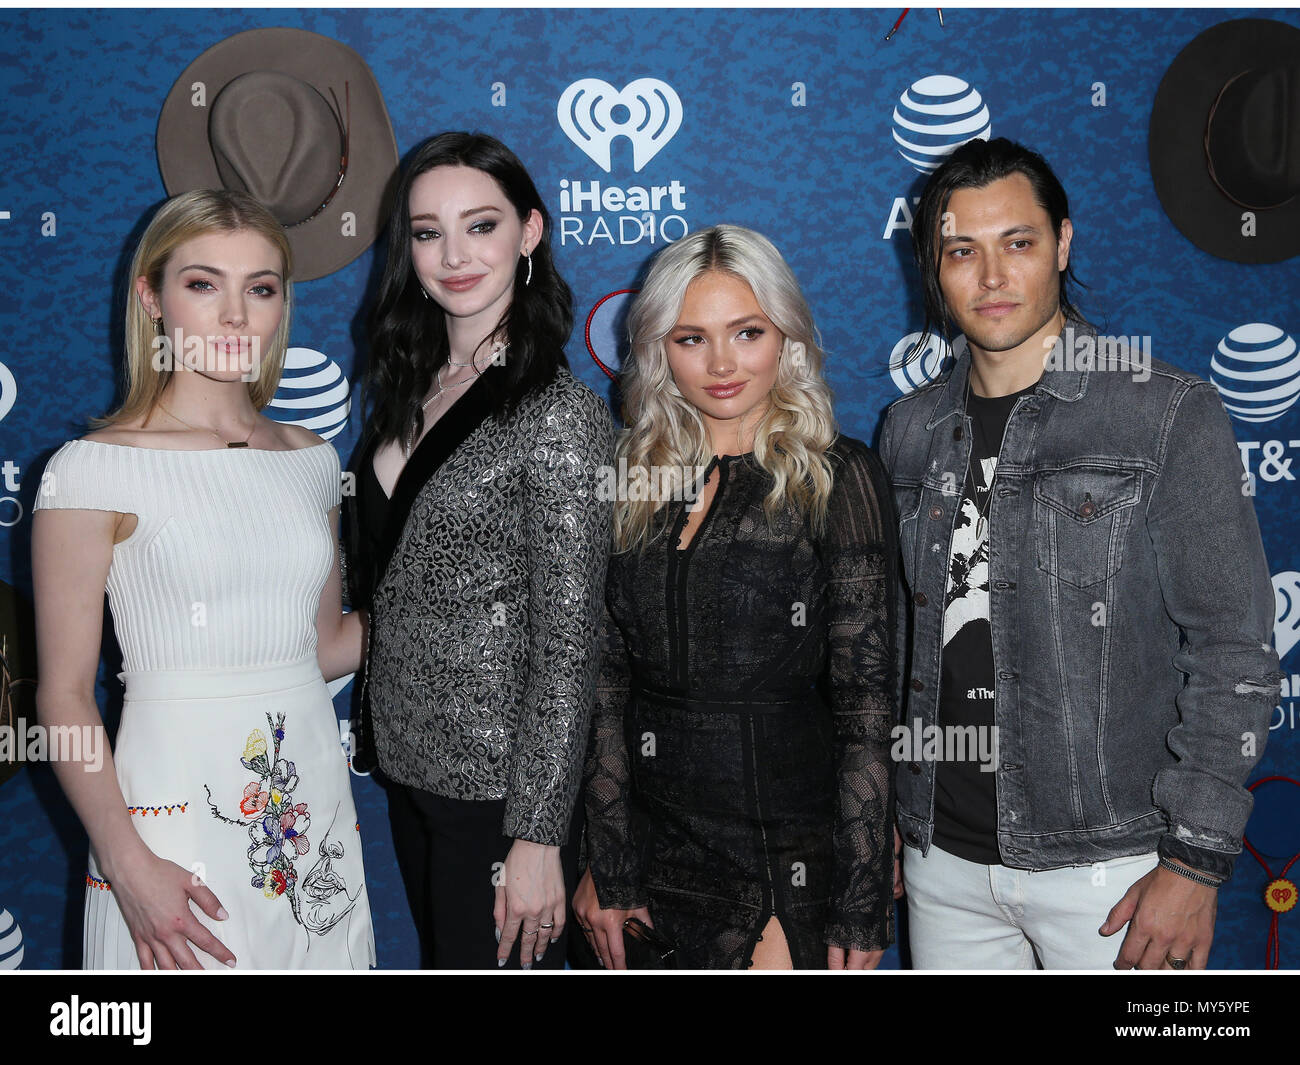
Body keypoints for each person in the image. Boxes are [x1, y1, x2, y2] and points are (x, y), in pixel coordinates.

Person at [880, 136, 1281, 970]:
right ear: (934, 269)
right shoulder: (909, 430)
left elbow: (1234, 650)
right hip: (941, 864)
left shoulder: (1162, 413)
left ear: (1062, 244)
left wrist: (1195, 861)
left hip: (1115, 869)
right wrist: (885, 812)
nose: (992, 277)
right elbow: (895, 646)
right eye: (962, 251)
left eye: (1018, 243)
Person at [31, 188, 374, 969]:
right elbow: (64, 696)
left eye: (261, 287)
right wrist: (127, 863)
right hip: (168, 820)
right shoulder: (90, 469)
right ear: (151, 296)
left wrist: (452, 599)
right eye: (202, 283)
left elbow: (322, 646)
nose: (235, 315)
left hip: (312, 811)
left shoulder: (312, 460)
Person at [574, 224, 898, 970]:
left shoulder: (837, 476)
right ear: (658, 349)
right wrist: (608, 861)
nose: (722, 363)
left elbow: (866, 706)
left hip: (782, 857)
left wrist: (859, 899)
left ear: (786, 335)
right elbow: (605, 686)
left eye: (747, 332)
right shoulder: (628, 478)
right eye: (692, 339)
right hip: (648, 859)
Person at [343, 131, 613, 970]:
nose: (454, 256)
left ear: (530, 232)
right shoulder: (408, 388)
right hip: (410, 768)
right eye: (428, 232)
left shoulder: (558, 413)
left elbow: (571, 643)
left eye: (481, 225)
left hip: (501, 794)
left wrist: (537, 835)